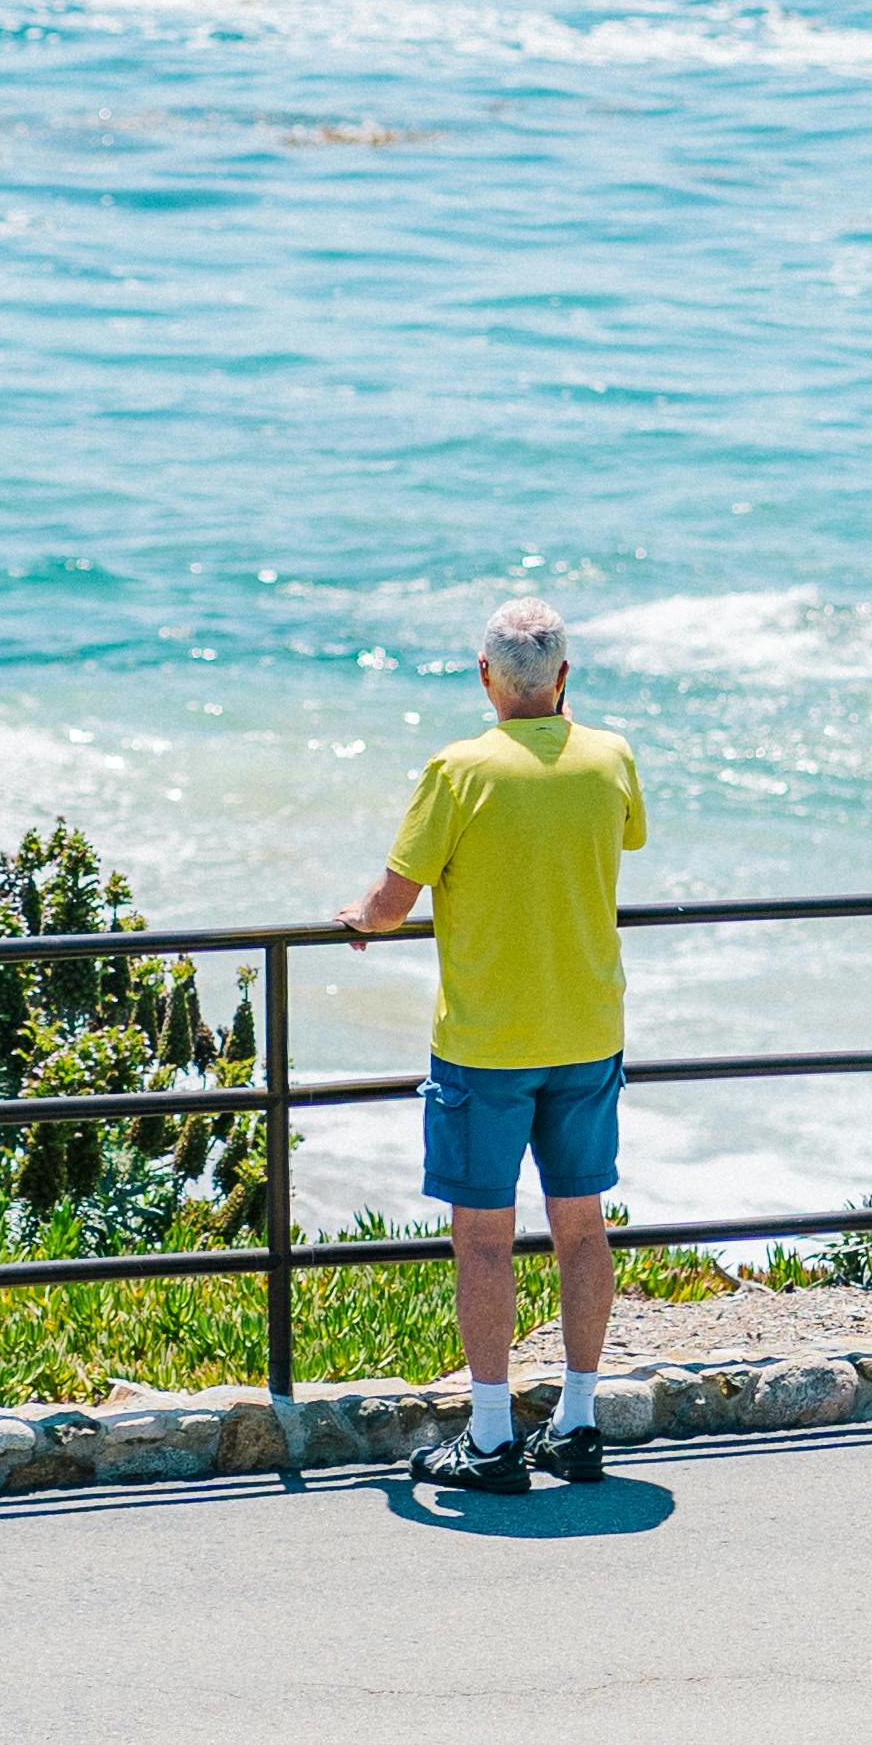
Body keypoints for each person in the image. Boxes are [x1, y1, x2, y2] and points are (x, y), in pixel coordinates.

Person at [338, 598, 644, 1497]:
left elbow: (389, 905)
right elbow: (624, 832)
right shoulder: (610, 756)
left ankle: (489, 1435)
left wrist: (357, 917)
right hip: (587, 1029)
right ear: (564, 676)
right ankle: (577, 1424)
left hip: (485, 1043)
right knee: (581, 1228)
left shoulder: (458, 769)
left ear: (483, 676)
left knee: (482, 1239)